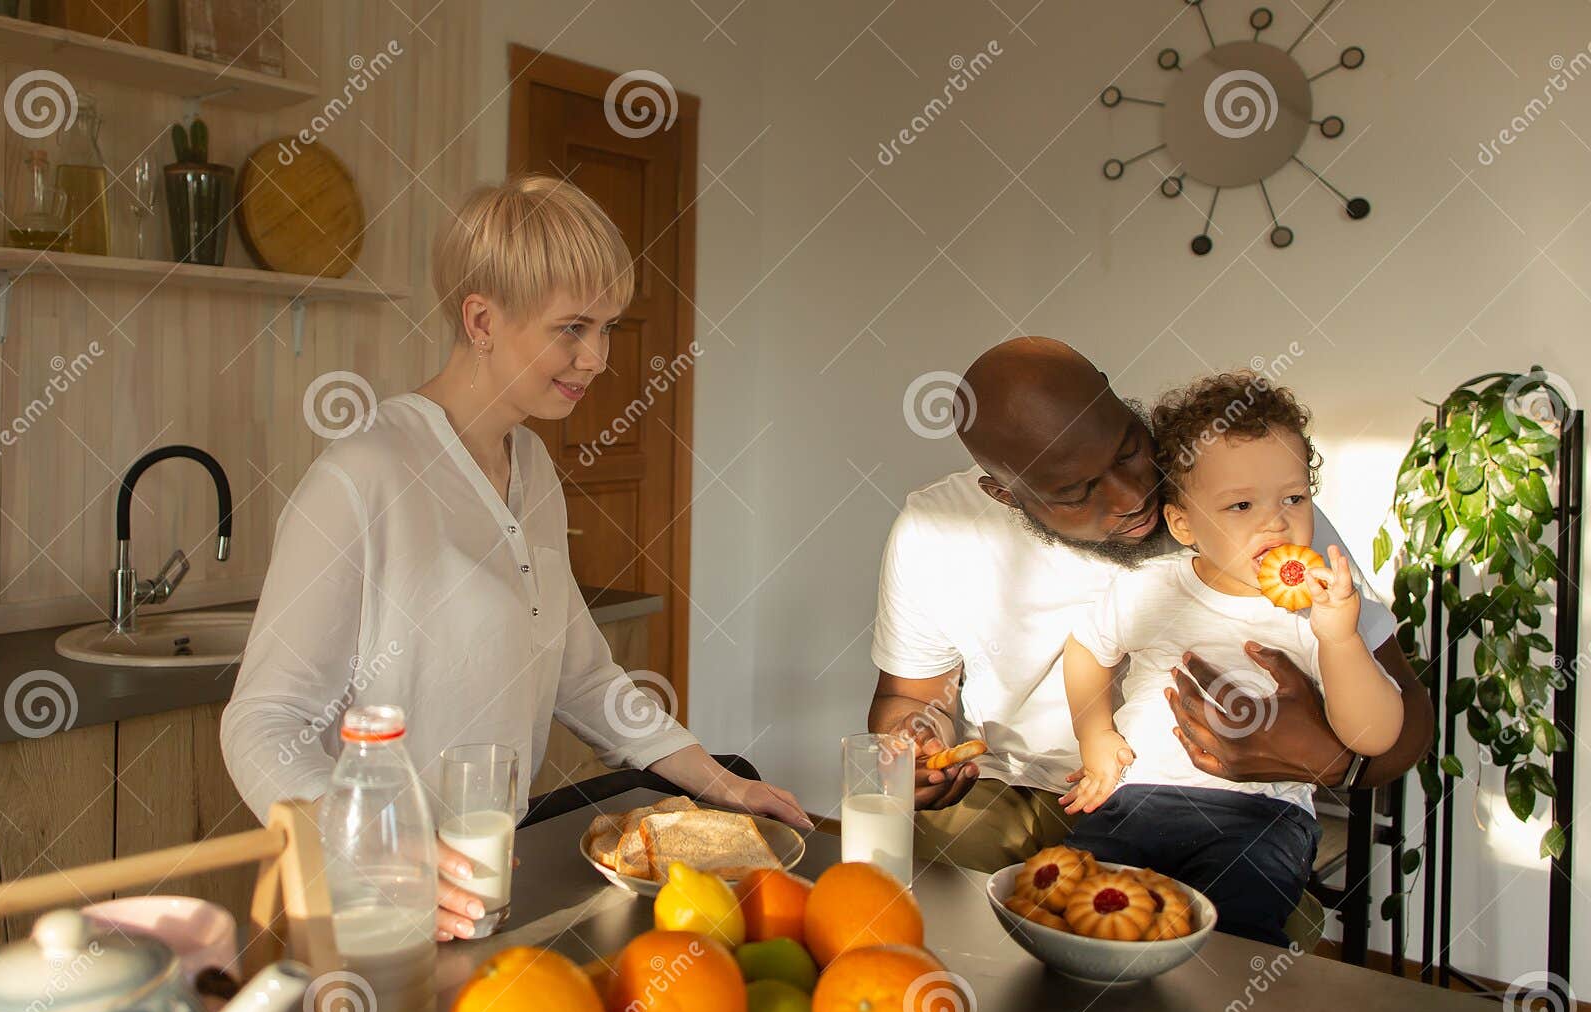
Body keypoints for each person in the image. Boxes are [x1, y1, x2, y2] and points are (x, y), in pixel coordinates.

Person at [224, 175, 808, 941]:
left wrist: (719, 781)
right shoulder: (363, 475)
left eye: (606, 327)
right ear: (481, 320)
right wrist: (378, 856)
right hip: (383, 904)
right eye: (572, 327)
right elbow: (263, 722)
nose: (596, 357)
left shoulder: (530, 468)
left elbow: (584, 676)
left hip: (492, 879)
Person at [868, 338, 1432, 943]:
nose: (1131, 495)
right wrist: (918, 744)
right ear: (1005, 495)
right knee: (930, 915)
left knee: (1229, 946)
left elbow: (1410, 724)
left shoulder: (1236, 497)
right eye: (1077, 492)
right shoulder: (935, 530)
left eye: (1128, 450)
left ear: (1121, 400)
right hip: (1008, 785)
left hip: (1224, 801)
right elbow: (907, 699)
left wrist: (1327, 760)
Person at [1059, 373, 1405, 945]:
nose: (1276, 521)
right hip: (1137, 799)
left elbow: (1375, 735)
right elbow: (1087, 650)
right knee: (1073, 902)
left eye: (1293, 498)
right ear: (1183, 524)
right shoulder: (1149, 589)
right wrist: (1094, 733)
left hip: (1259, 818)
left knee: (1231, 926)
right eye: (1241, 504)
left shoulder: (1325, 608)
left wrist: (1340, 639)